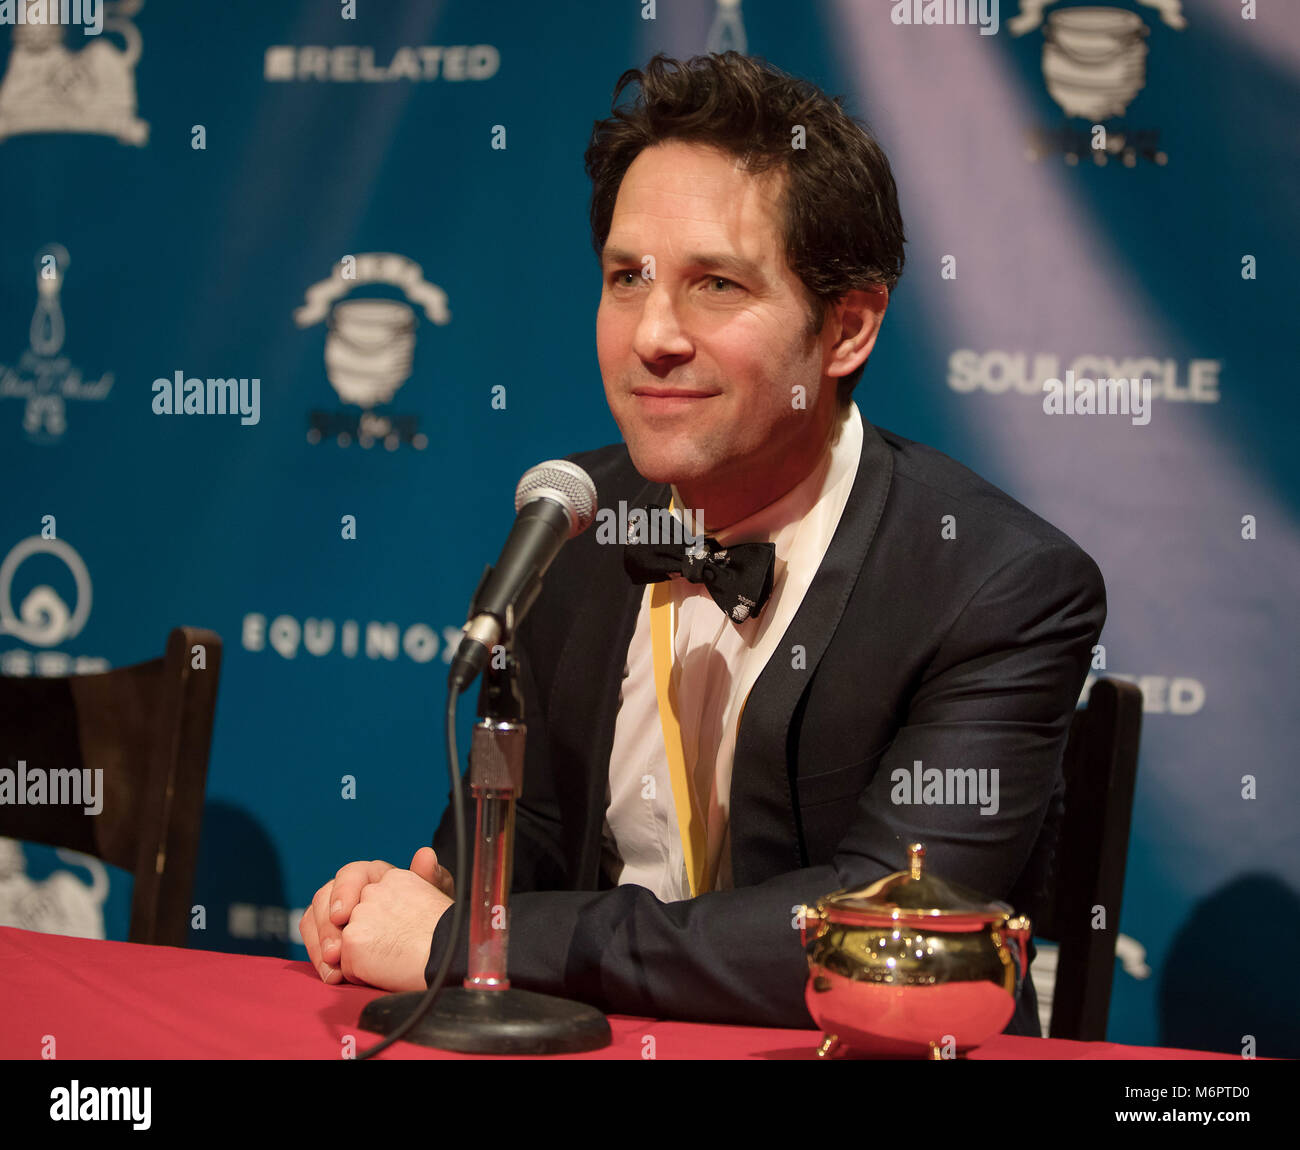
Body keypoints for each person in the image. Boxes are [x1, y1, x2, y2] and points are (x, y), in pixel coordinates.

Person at [299, 51, 1105, 1035]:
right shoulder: (571, 523)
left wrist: (474, 937)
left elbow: (876, 942)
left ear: (846, 328)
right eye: (625, 277)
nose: (653, 334)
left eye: (714, 285)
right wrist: (397, 911)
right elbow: (495, 874)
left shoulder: (994, 584)